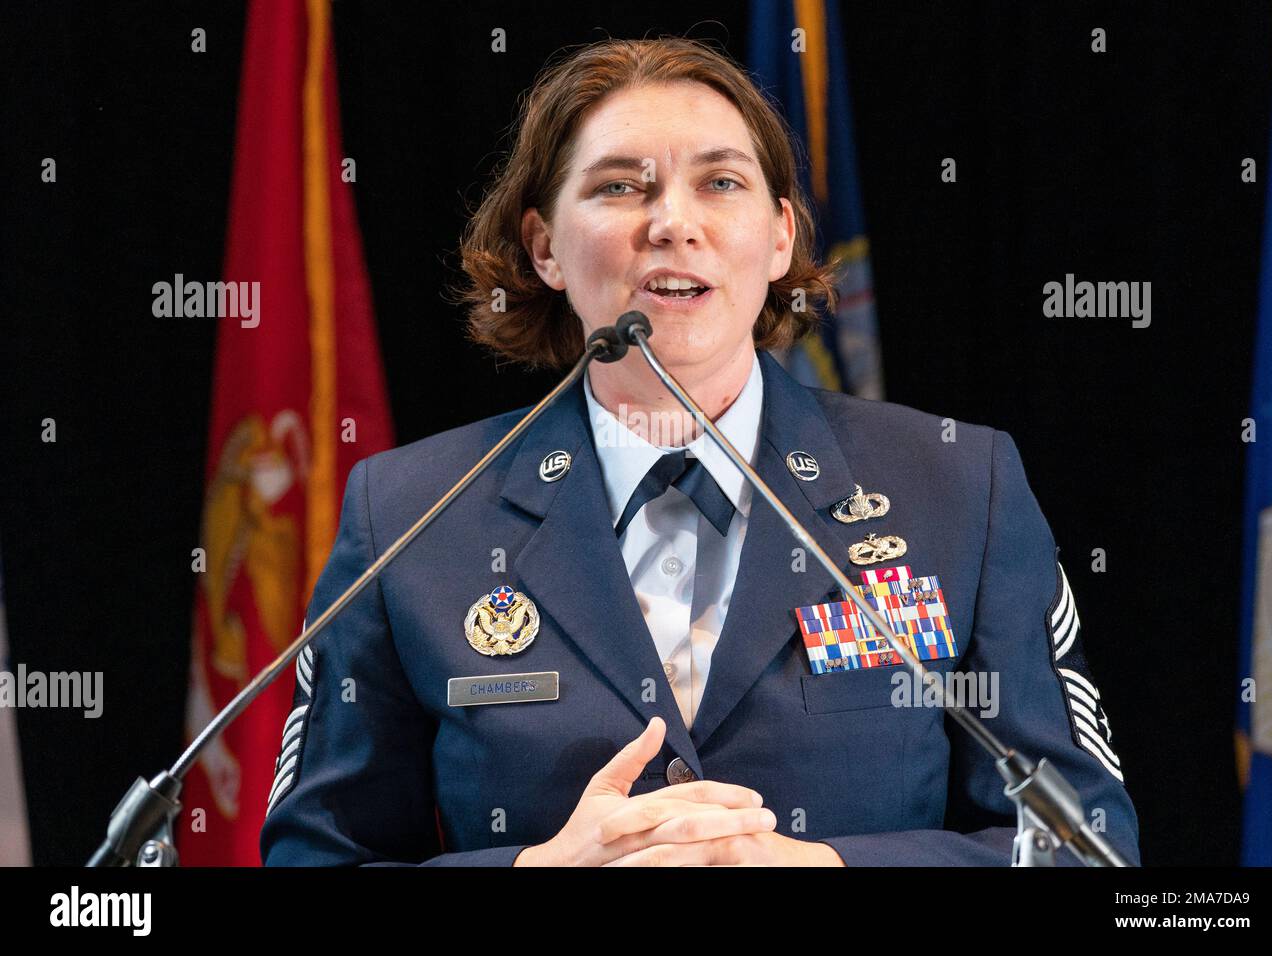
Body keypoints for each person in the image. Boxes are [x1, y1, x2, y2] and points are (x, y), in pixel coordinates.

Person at [260, 37, 1139, 866]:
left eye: (720, 182)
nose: (672, 223)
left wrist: (823, 867)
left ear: (782, 236)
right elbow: (314, 857)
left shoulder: (958, 488)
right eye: (618, 189)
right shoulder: (410, 515)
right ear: (544, 248)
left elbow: (1082, 843)